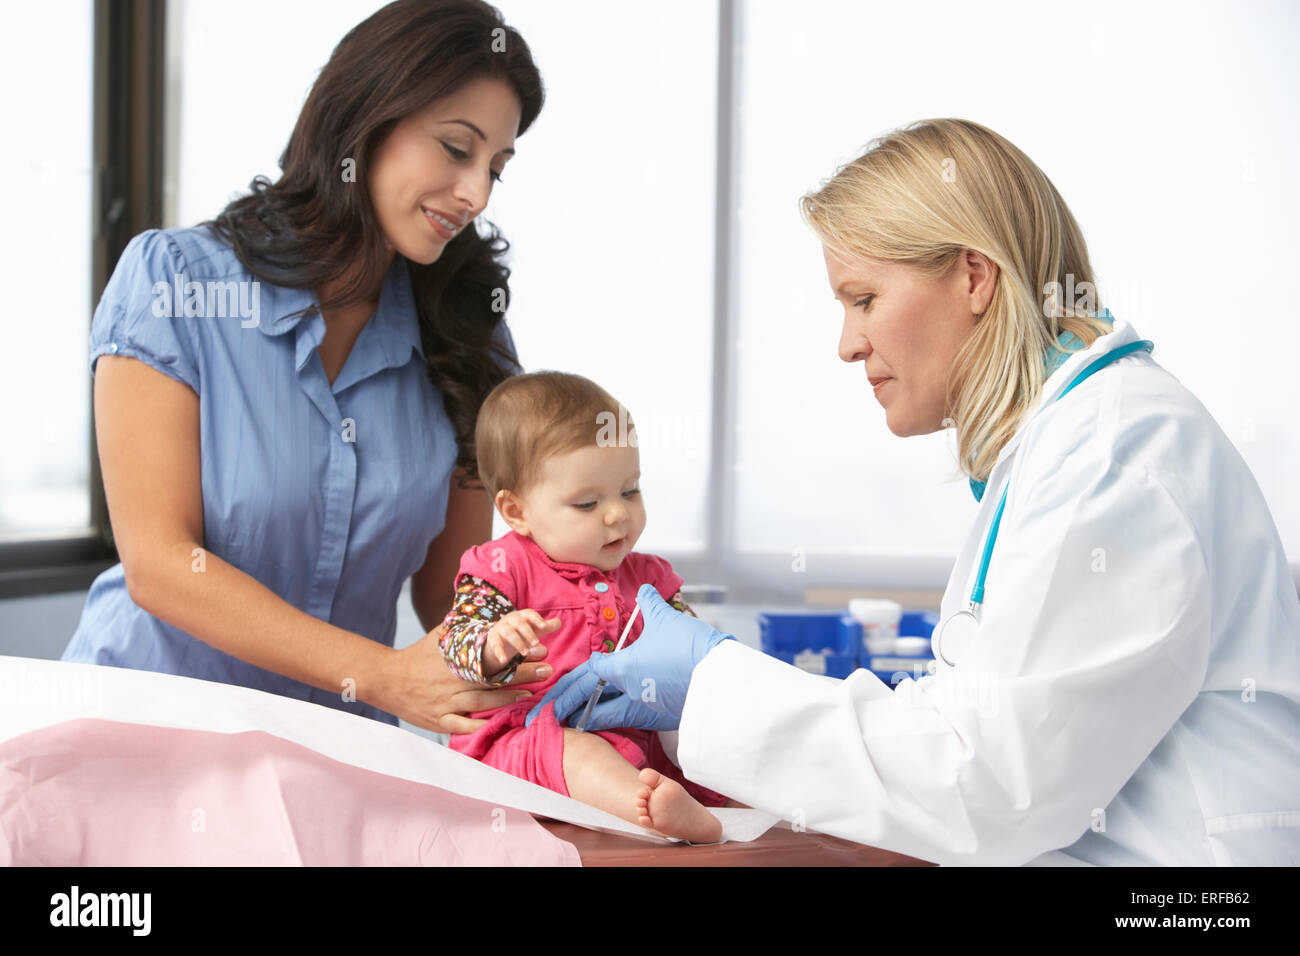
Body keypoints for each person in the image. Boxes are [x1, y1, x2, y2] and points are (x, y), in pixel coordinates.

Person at [531, 118, 1300, 866]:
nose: (847, 344)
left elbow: (991, 785)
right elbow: (979, 743)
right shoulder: (1062, 444)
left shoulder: (1113, 453)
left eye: (862, 299)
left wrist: (712, 682)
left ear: (973, 276)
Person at [62, 0, 555, 733]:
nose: (476, 194)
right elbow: (160, 562)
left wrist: (529, 640)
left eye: (496, 170)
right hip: (144, 731)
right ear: (363, 119)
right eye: (457, 149)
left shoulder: (468, 333)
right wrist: (383, 675)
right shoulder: (175, 283)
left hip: (338, 752)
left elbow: (454, 595)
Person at [438, 371, 729, 843]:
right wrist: (494, 644)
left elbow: (692, 654)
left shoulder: (650, 576)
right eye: (588, 502)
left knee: (707, 741)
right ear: (517, 512)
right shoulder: (501, 566)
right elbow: (455, 640)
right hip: (525, 738)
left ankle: (696, 798)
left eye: (630, 491)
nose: (617, 513)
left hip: (635, 736)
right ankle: (651, 814)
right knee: (581, 754)